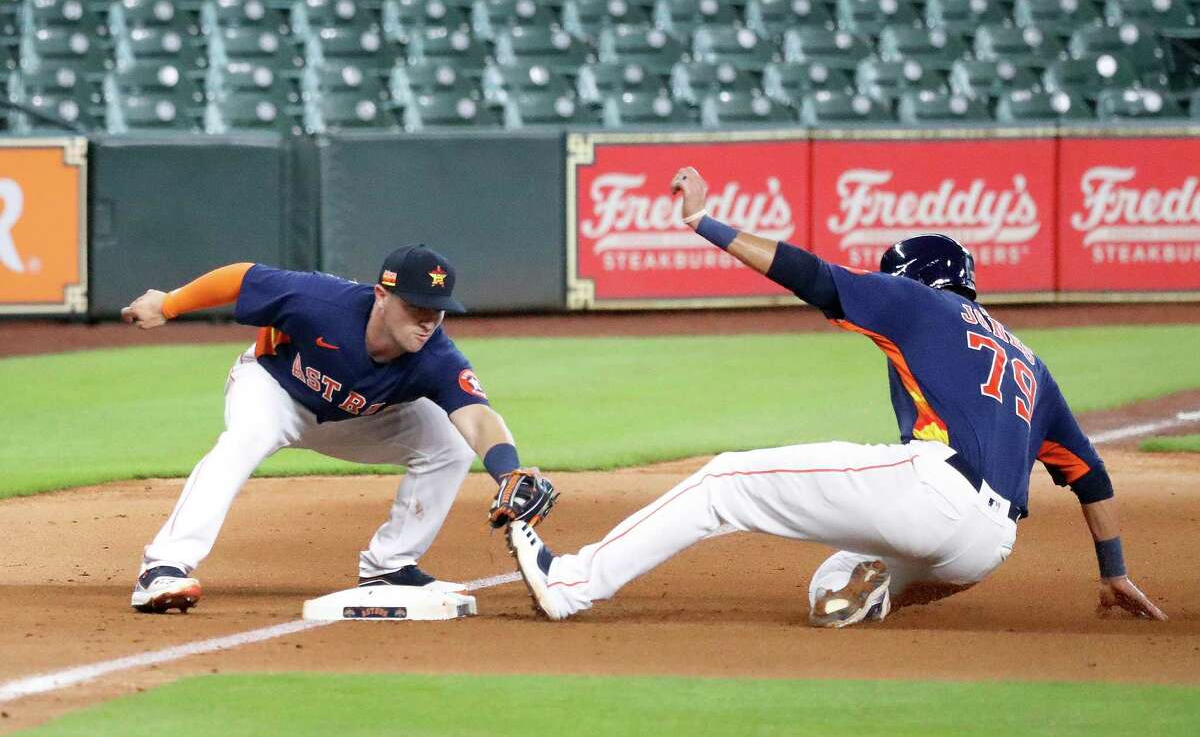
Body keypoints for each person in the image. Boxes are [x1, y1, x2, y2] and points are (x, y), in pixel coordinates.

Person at [507, 166, 1166, 627]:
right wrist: (1112, 570)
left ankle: (569, 585)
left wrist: (704, 222)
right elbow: (1088, 474)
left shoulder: (915, 300)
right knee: (831, 588)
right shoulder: (1029, 361)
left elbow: (813, 276)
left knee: (723, 482)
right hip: (987, 548)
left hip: (937, 488)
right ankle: (864, 599)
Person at [122, 244, 546, 613]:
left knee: (452, 441)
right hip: (274, 390)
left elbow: (477, 416)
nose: (427, 322)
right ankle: (163, 567)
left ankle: (390, 567)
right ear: (381, 295)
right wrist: (169, 304)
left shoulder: (437, 356)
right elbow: (242, 277)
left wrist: (509, 471)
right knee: (243, 440)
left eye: (436, 311)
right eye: (415, 307)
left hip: (354, 420)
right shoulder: (321, 301)